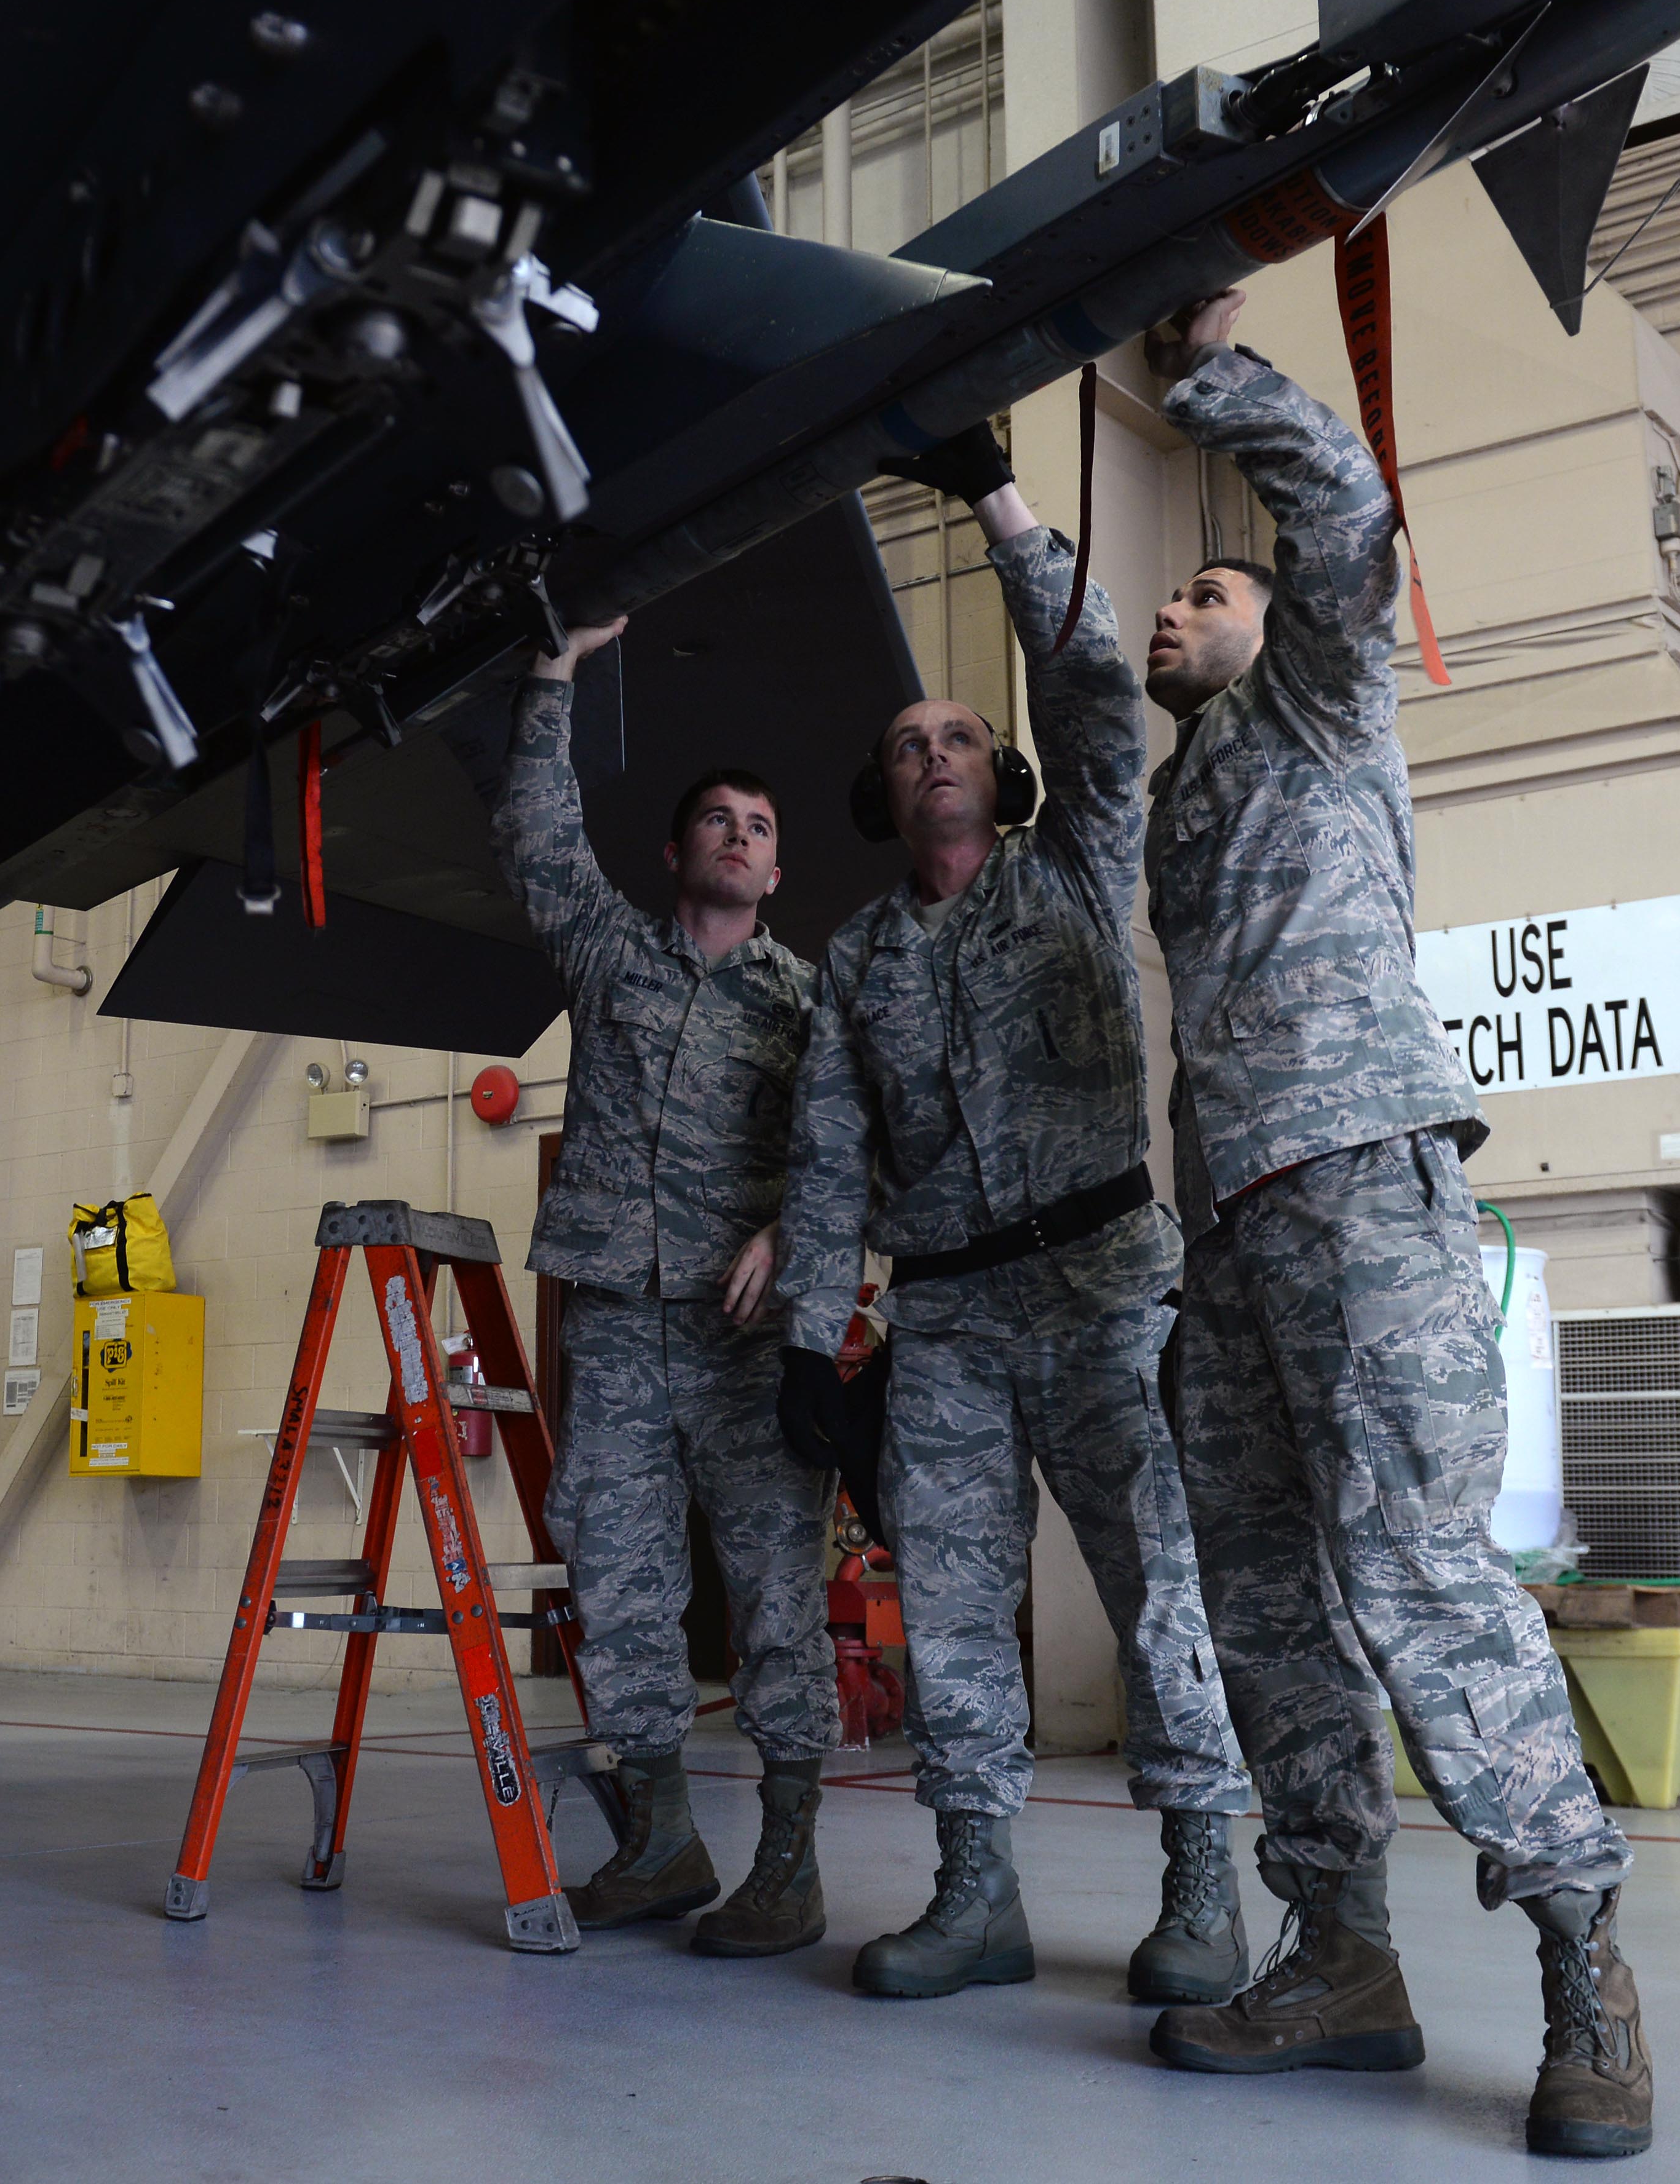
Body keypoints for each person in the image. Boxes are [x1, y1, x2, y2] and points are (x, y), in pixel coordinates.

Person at [1134, 288, 1649, 2161]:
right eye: (1164, 604)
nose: (1169, 615)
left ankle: (1585, 1969)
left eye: (1201, 593)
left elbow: (1343, 518)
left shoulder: (1327, 703)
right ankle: (1340, 1953)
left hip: (1363, 1186)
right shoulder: (1179, 808)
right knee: (1264, 1609)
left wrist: (1209, 362)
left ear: (1272, 625)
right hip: (1234, 1235)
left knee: (1421, 1577)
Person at [775, 423, 1253, 2005]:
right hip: (954, 1321)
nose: (931, 752)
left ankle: (1205, 1889)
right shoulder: (856, 962)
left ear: (1004, 769)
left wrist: (999, 506)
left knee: (1161, 1586)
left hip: (1110, 1281)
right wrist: (811, 1333)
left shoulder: (1075, 860)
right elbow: (832, 1153)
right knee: (960, 1605)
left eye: (959, 734)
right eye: (906, 741)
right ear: (882, 789)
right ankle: (977, 1893)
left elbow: (1104, 699)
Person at [496, 616, 839, 1958]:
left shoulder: (807, 1001)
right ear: (677, 851)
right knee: (620, 1575)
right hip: (620, 1325)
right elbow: (536, 832)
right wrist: (551, 677)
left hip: (745, 1337)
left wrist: (794, 1237)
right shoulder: (609, 955)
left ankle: (793, 1862)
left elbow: (851, 1147)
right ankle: (658, 1839)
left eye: (760, 823)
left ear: (777, 860)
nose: (741, 834)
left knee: (774, 1594)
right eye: (717, 818)